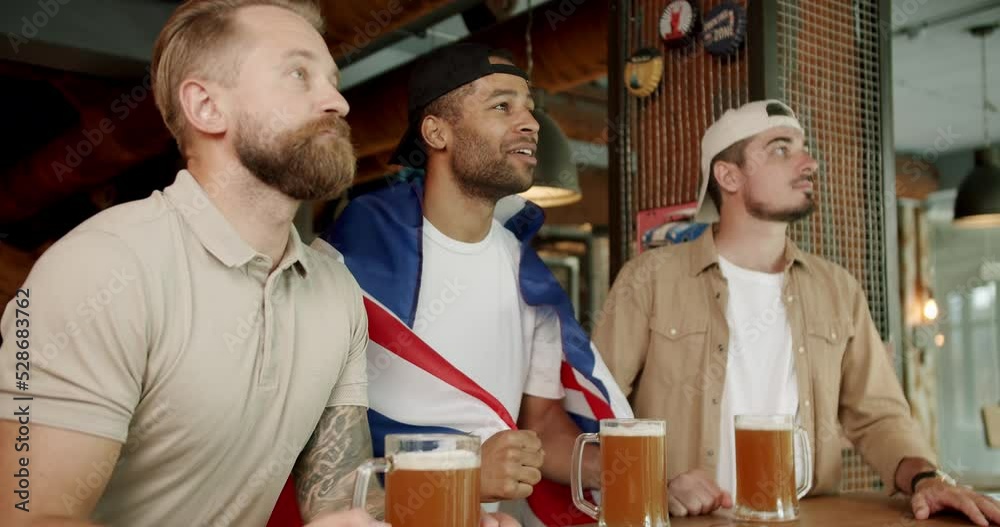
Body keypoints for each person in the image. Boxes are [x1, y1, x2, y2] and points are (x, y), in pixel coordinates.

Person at [0, 2, 510, 527]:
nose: (337, 101)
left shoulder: (334, 291)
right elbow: (31, 519)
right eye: (298, 74)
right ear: (206, 108)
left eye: (333, 80)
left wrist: (448, 516)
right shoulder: (99, 268)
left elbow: (340, 502)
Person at [592, 99, 1000, 526]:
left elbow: (878, 416)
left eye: (803, 148)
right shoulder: (649, 279)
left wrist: (926, 478)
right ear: (728, 175)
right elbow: (593, 412)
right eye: (781, 149)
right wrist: (657, 481)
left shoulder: (838, 287)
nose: (809, 163)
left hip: (802, 519)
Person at [313, 42, 632, 526]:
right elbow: (314, 443)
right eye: (502, 106)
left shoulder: (530, 276)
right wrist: (465, 477)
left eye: (529, 108)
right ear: (436, 131)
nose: (531, 122)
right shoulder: (349, 258)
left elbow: (541, 425)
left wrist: (631, 474)